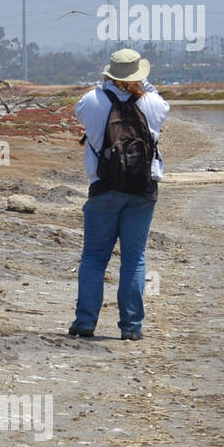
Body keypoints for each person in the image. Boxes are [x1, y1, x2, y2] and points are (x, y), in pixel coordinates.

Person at [70, 49, 170, 341]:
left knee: (93, 258)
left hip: (104, 188)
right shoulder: (153, 103)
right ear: (140, 74)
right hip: (142, 189)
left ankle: (85, 323)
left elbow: (80, 113)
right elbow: (162, 103)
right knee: (134, 258)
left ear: (108, 73)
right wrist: (143, 85)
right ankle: (131, 328)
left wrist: (106, 86)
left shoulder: (90, 101)